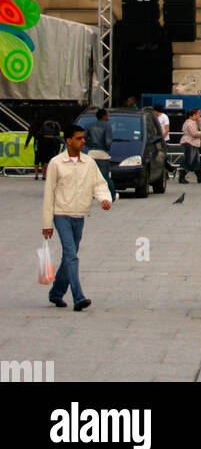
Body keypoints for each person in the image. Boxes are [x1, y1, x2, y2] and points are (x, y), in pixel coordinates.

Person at [42, 123, 112, 310]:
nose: (83, 142)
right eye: (79, 138)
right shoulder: (56, 163)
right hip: (61, 214)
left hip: (79, 215)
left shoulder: (88, 162)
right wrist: (47, 223)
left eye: (83, 138)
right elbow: (49, 194)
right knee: (71, 255)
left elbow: (99, 184)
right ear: (69, 141)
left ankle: (56, 293)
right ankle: (78, 297)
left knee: (69, 256)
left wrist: (104, 199)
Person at [83, 107, 117, 203]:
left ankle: (86, 196)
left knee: (89, 177)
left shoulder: (89, 125)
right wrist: (107, 147)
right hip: (102, 154)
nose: (108, 117)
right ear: (104, 116)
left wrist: (91, 145)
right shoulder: (107, 126)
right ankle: (112, 196)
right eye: (107, 115)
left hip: (91, 153)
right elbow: (108, 141)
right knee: (105, 177)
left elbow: (85, 138)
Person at [179, 108, 201, 184]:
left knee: (196, 161)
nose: (196, 116)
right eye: (195, 115)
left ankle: (199, 178)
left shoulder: (191, 122)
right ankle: (182, 176)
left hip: (192, 143)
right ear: (191, 116)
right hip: (190, 143)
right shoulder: (190, 123)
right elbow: (194, 134)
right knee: (190, 161)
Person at [153, 105, 174, 175]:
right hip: (157, 139)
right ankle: (166, 172)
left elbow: (167, 129)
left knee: (162, 157)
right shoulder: (155, 117)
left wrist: (162, 138)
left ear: (156, 110)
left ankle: (171, 169)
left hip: (164, 139)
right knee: (158, 157)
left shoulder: (164, 117)